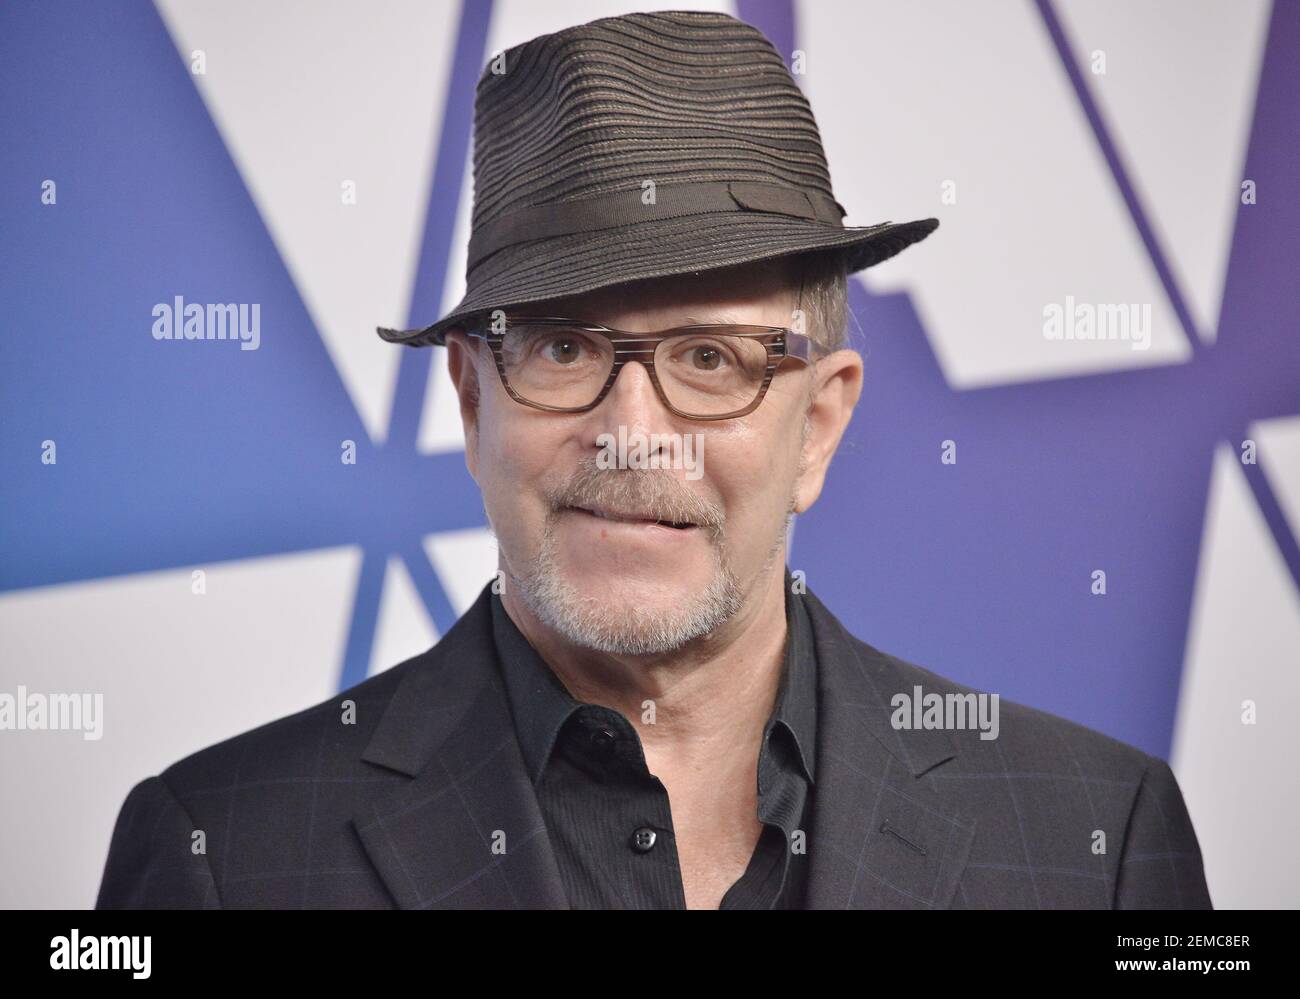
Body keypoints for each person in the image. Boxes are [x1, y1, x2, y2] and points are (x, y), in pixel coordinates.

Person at [96, 9, 1211, 909]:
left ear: (816, 425)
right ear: (472, 399)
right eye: (565, 346)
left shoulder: (1097, 842)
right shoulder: (221, 854)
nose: (631, 429)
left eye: (713, 358)